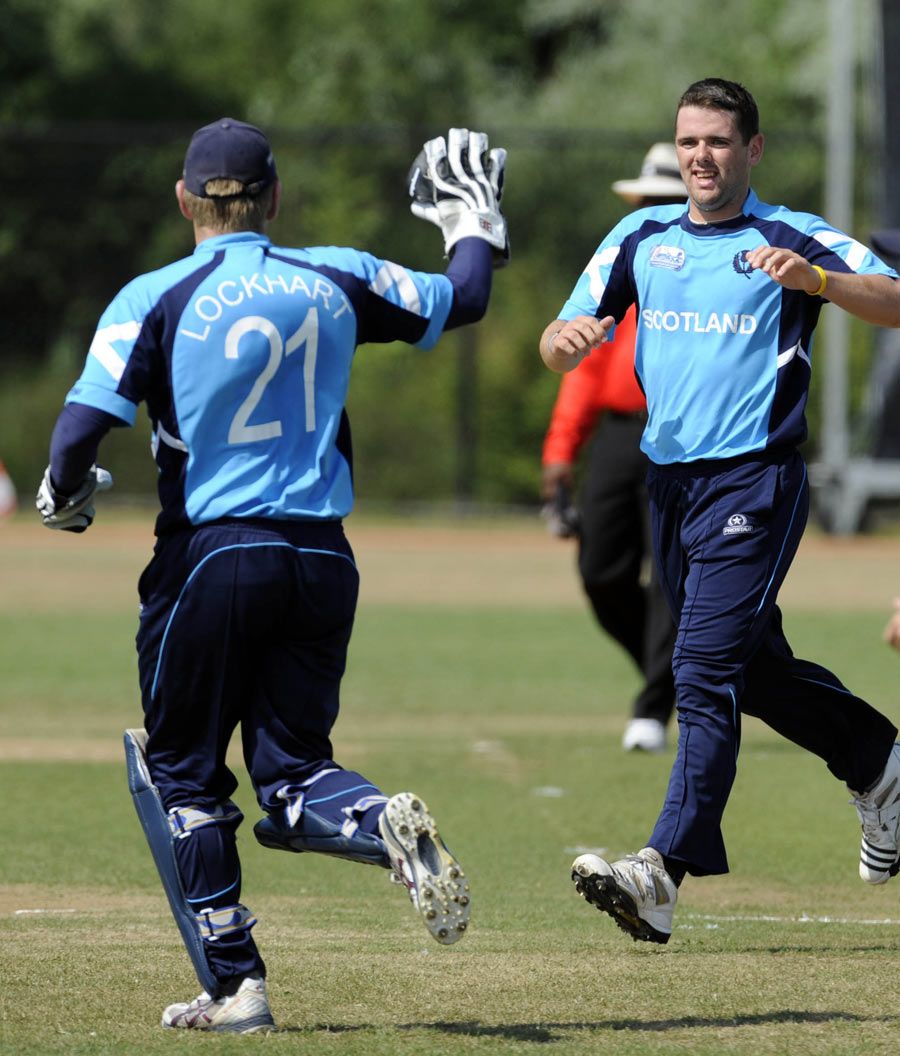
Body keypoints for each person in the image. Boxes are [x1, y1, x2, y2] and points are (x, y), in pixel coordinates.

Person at [36, 118, 508, 1031]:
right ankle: (377, 824)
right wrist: (471, 222)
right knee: (292, 779)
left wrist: (67, 496)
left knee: (183, 776)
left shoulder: (156, 293)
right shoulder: (335, 274)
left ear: (184, 201)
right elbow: (467, 296)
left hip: (212, 557)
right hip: (322, 559)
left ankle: (237, 988)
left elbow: (75, 438)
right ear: (276, 197)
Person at [539, 78, 900, 945]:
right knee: (752, 669)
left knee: (699, 671)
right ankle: (880, 763)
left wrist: (816, 279)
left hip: (754, 485)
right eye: (689, 141)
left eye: (719, 141)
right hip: (670, 488)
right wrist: (567, 341)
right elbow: (557, 339)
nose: (702, 156)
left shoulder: (790, 236)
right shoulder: (640, 236)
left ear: (753, 149)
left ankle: (661, 871)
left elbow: (895, 296)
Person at [541, 144, 685, 753]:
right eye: (646, 202)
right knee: (602, 572)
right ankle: (677, 676)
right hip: (620, 437)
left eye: (662, 202)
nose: (651, 212)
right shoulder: (623, 265)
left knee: (671, 581)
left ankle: (654, 703)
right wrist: (559, 455)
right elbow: (582, 369)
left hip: (682, 434)